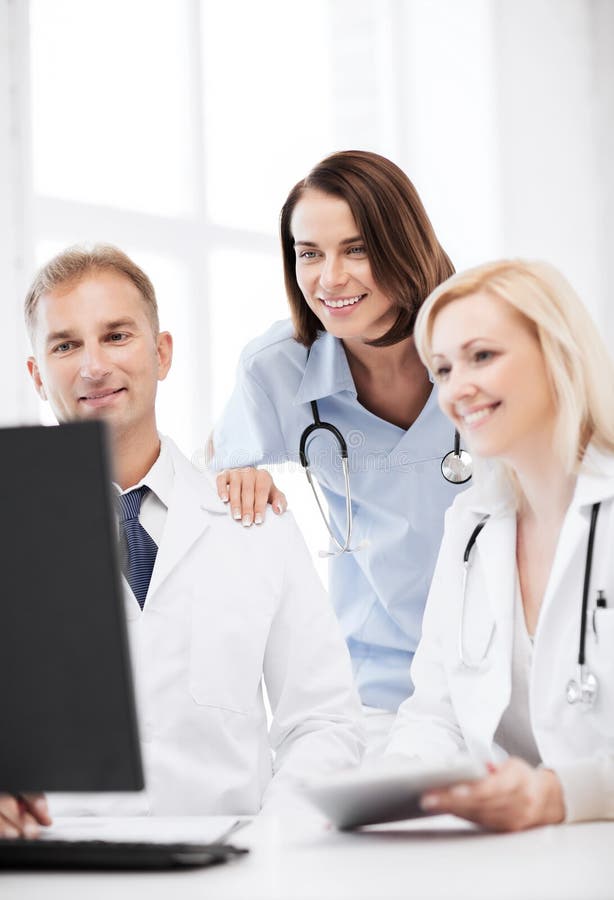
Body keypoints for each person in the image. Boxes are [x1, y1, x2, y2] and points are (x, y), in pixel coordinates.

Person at [0, 244, 364, 838]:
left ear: (161, 352)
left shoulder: (256, 520)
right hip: (58, 868)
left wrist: (273, 838)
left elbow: (321, 722)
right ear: (38, 375)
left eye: (117, 335)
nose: (93, 366)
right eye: (65, 345)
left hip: (232, 865)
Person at [211, 150, 468, 732]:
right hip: (379, 691)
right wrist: (237, 479)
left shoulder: (482, 344)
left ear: (406, 243)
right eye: (309, 254)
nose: (330, 279)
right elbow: (213, 490)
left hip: (502, 670)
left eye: (357, 248)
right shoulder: (275, 369)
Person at [386, 258, 614, 831]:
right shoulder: (470, 525)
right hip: (512, 859)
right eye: (441, 369)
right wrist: (389, 790)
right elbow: (433, 712)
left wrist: (557, 796)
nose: (458, 388)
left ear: (556, 352)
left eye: (482, 355)